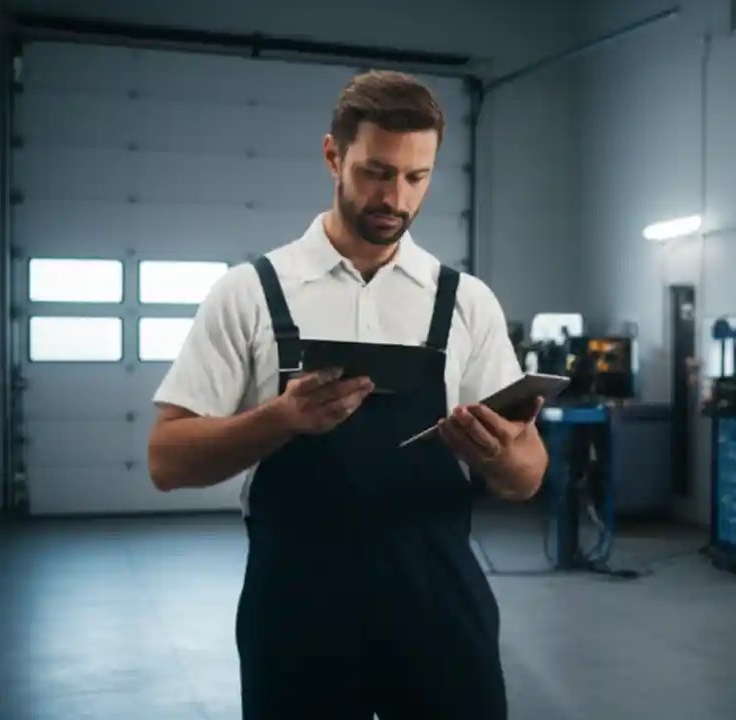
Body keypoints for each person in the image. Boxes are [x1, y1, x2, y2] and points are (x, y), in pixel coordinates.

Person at [146, 69, 548, 720]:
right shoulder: (250, 294)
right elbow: (167, 459)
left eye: (417, 177)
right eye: (376, 172)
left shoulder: (464, 303)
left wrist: (499, 451)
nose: (396, 196)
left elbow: (528, 477)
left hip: (438, 602)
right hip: (297, 606)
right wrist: (280, 418)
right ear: (333, 155)